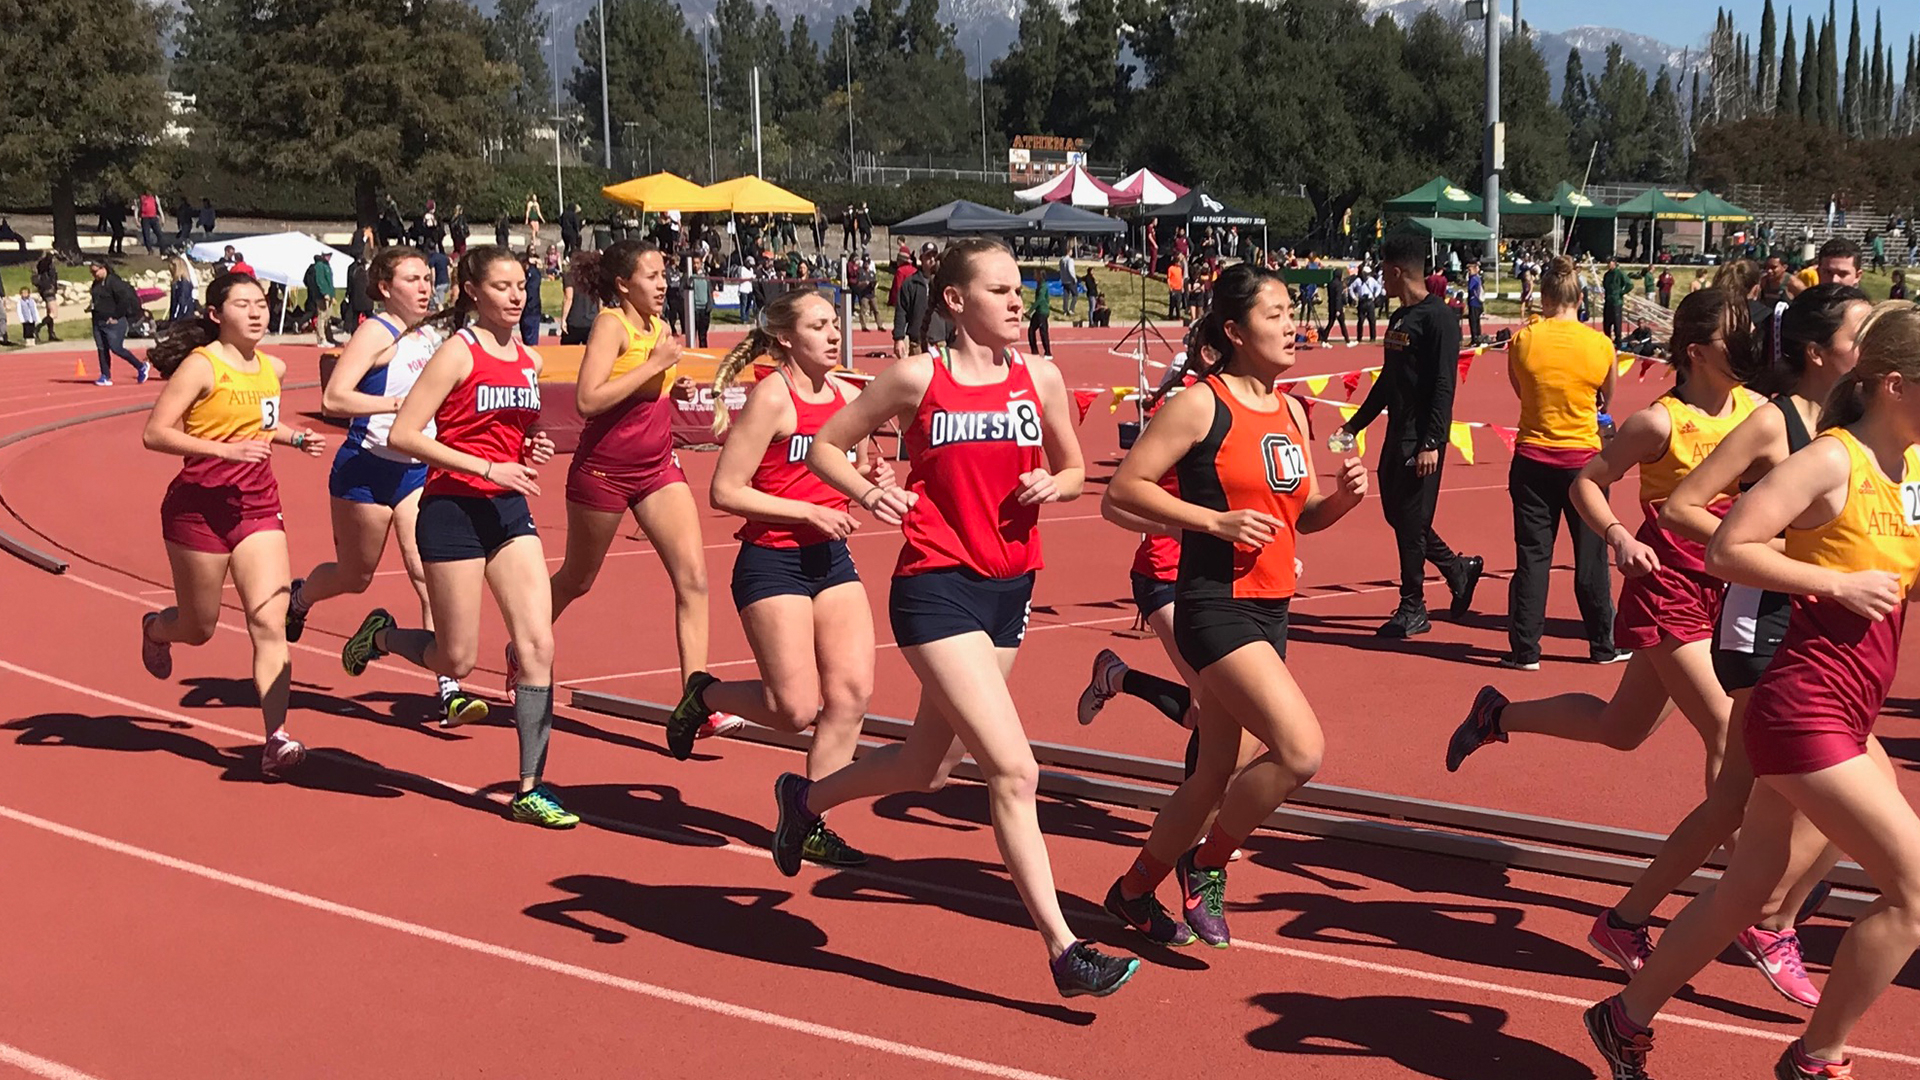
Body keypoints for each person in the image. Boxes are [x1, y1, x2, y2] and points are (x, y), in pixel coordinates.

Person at [767, 237, 1140, 998]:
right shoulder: (915, 377)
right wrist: (870, 494)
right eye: (999, 290)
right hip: (935, 585)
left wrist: (1056, 487)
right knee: (1014, 769)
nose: (1016, 301)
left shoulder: (1041, 374)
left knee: (928, 768)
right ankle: (1065, 950)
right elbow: (826, 448)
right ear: (954, 301)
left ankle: (803, 800)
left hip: (1010, 586)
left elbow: (1074, 465)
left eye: (1019, 289)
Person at [1584, 301, 1920, 1080]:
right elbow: (1727, 547)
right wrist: (1834, 580)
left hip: (1852, 701)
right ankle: (1817, 1057)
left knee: (1744, 891)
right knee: (1912, 890)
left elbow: (1899, 584)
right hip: (1802, 704)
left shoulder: (1908, 472)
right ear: (1897, 385)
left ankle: (1624, 1017)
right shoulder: (1831, 459)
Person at [1101, 263, 1367, 948]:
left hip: (1272, 607)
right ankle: (1207, 862)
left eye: (1291, 311)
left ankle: (1131, 892)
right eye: (1274, 313)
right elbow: (1122, 492)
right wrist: (1211, 523)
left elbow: (1300, 514)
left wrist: (1342, 500)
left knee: (1214, 774)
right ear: (1234, 330)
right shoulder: (1200, 404)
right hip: (1214, 604)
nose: (1292, 324)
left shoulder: (1293, 410)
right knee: (1300, 750)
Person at [1449, 288, 1760, 821]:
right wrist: (1619, 535)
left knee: (1620, 729)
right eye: (1733, 337)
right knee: (1730, 728)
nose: (1746, 345)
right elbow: (1586, 484)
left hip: (1727, 589)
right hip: (1669, 587)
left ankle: (1496, 716)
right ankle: (1748, 873)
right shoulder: (1659, 422)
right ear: (1697, 352)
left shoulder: (1756, 411)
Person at [339, 246, 573, 828]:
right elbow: (408, 432)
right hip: (451, 512)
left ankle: (530, 787)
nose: (517, 296)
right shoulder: (456, 352)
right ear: (473, 292)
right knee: (457, 657)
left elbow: (516, 430)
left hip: (509, 512)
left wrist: (529, 447)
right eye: (503, 286)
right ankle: (386, 636)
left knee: (538, 647)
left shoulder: (528, 359)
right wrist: (485, 467)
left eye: (522, 285)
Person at [673, 290, 893, 867]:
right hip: (773, 559)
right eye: (817, 326)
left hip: (831, 559)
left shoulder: (851, 395)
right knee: (794, 709)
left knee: (850, 695)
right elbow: (725, 490)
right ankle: (705, 695)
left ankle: (811, 816)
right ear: (787, 339)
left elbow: (860, 469)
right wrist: (806, 511)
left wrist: (878, 481)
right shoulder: (773, 397)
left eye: (832, 324)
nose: (831, 334)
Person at [285, 247, 486, 726]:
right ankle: (299, 599)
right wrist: (398, 403)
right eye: (412, 279)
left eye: (427, 278)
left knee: (425, 572)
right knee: (355, 577)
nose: (424, 287)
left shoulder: (432, 333)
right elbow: (335, 398)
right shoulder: (378, 332)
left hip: (416, 471)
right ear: (383, 288)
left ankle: (449, 688)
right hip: (367, 470)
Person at [138, 272, 327, 777]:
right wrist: (225, 450)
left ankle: (275, 739)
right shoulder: (202, 367)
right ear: (217, 315)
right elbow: (155, 434)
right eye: (243, 304)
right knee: (198, 628)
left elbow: (262, 423)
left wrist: (293, 438)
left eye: (261, 303)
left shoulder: (273, 367)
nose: (257, 312)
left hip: (258, 507)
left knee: (269, 622)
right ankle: (157, 629)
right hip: (198, 510)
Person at [543, 240, 730, 743]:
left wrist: (676, 385)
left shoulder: (661, 329)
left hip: (657, 467)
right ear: (624, 284)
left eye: (664, 273)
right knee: (578, 579)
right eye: (651, 275)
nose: (663, 283)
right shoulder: (611, 325)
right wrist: (654, 367)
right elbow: (587, 399)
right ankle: (527, 643)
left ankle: (696, 700)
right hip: (603, 471)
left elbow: (650, 386)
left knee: (693, 579)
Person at [1336, 235, 1483, 637]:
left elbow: (1442, 385)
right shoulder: (1400, 319)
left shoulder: (1439, 318)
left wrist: (1432, 442)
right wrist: (1355, 424)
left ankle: (1413, 606)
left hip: (1421, 438)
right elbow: (1388, 380)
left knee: (1412, 520)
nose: (1381, 280)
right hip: (1395, 434)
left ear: (1398, 272)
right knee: (1398, 516)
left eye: (1384, 272)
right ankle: (1457, 569)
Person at [1503, 255, 1623, 670]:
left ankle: (1525, 650)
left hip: (1533, 456)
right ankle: (1603, 645)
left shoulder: (1524, 340)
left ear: (1545, 295)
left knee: (1532, 556)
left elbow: (1520, 389)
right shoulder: (1600, 344)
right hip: (1584, 463)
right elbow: (1606, 400)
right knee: (1591, 556)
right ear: (1580, 297)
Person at [88, 260, 150, 386]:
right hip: (98, 320)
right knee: (102, 348)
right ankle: (105, 375)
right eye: (91, 272)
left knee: (116, 348)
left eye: (95, 271)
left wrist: (116, 316)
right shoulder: (96, 283)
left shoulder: (115, 282)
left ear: (103, 268)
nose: (94, 274)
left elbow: (124, 300)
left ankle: (140, 366)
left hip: (114, 322)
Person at [303, 252, 336, 347]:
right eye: (327, 255)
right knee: (322, 316)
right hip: (321, 296)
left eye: (330, 255)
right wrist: (325, 293)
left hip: (328, 295)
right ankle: (321, 339)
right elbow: (320, 281)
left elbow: (330, 281)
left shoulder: (327, 265)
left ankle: (327, 337)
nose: (329, 257)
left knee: (327, 316)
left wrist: (332, 294)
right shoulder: (320, 266)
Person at [1025, 269, 1052, 357]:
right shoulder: (1040, 285)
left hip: (1042, 312)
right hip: (1039, 311)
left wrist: (1030, 311)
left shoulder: (1043, 286)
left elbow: (1040, 299)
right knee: (1032, 330)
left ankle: (1048, 352)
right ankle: (1035, 351)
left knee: (1043, 332)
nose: (1034, 277)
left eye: (1035, 275)